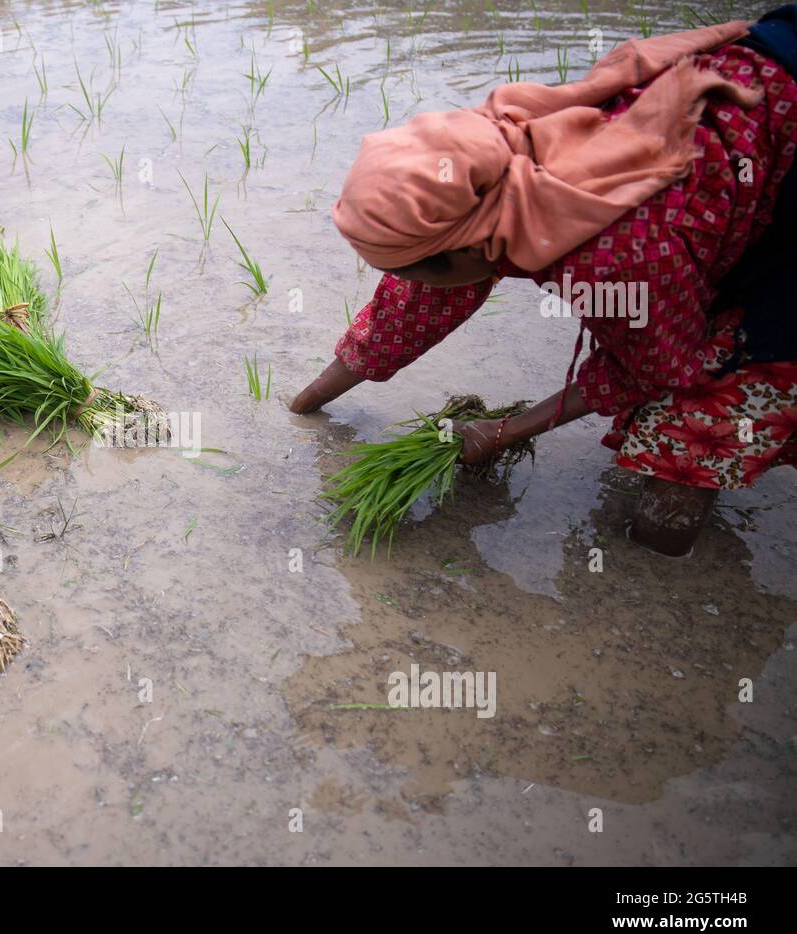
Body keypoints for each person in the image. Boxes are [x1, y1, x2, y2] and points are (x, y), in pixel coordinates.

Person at [291, 9, 797, 557]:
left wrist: (505, 432)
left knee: (700, 410)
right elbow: (416, 302)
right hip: (756, 116)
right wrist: (309, 404)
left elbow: (652, 366)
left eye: (412, 268)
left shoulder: (612, 251)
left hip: (780, 173)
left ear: (467, 246)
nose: (415, 284)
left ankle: (656, 569)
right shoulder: (483, 180)